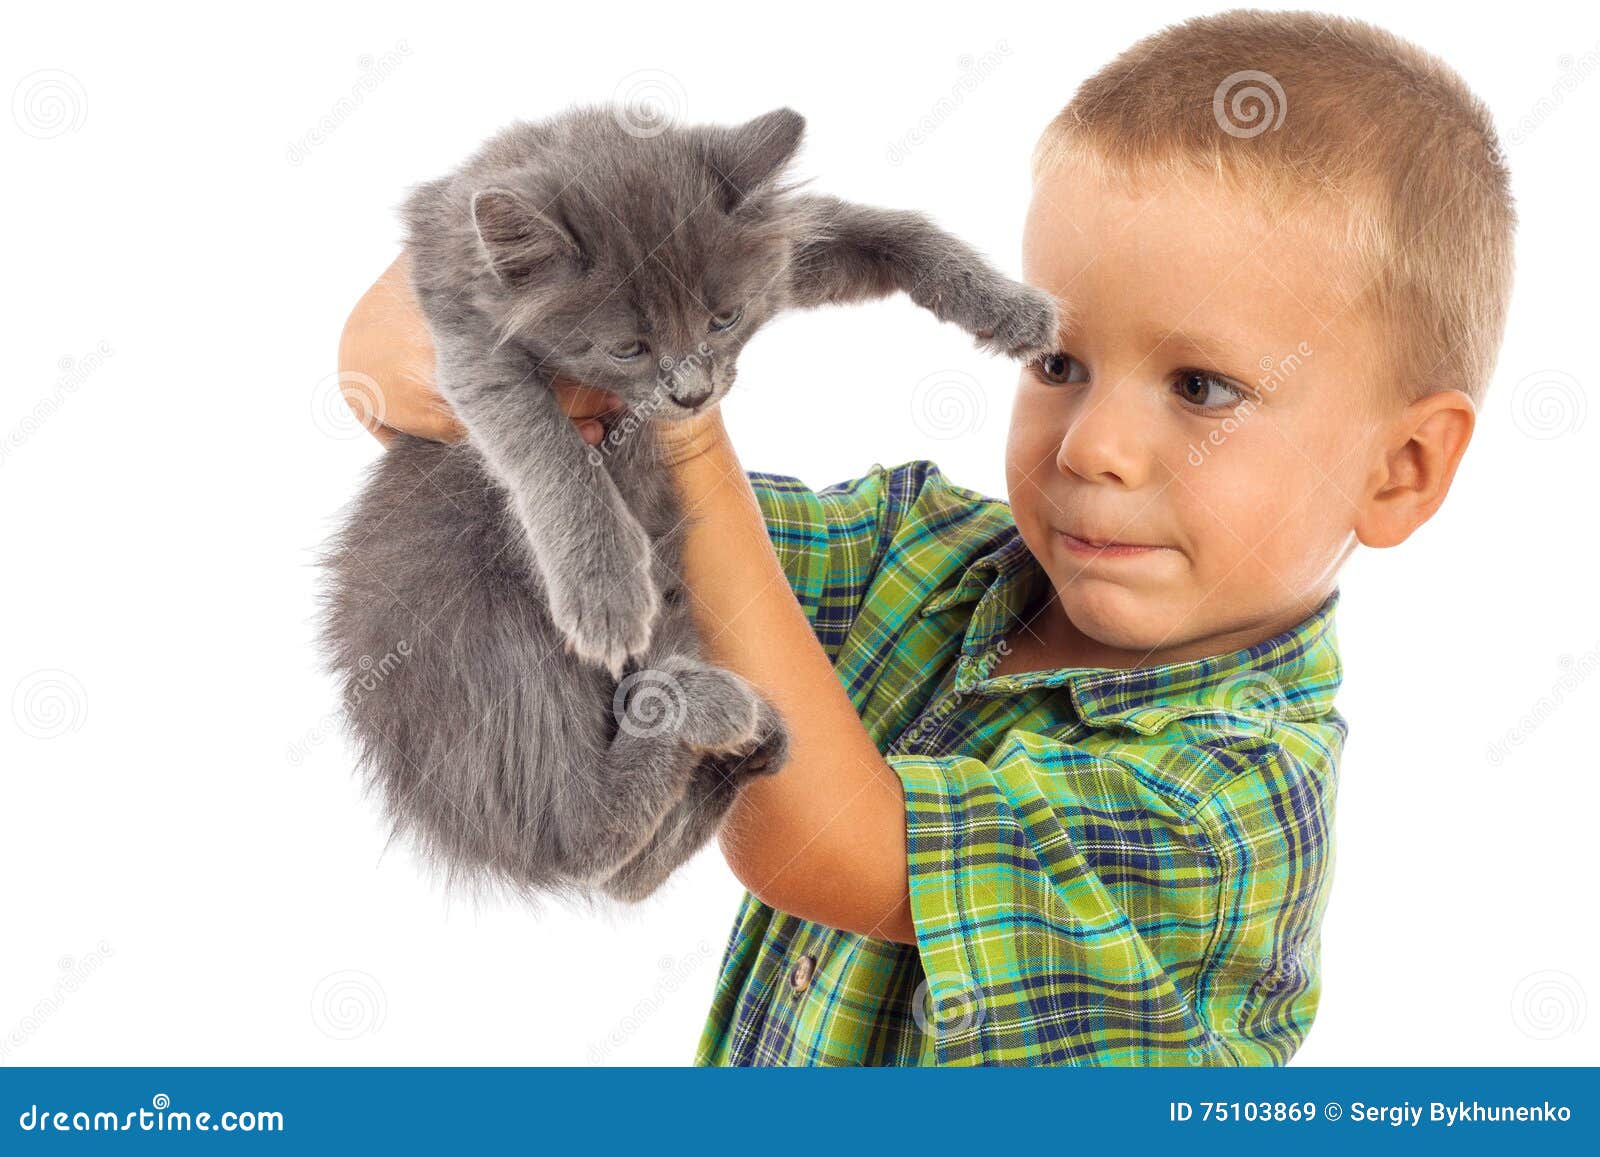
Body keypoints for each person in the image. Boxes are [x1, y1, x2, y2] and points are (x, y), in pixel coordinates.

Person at [334, 10, 1513, 1064]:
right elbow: (618, 519)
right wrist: (463, 315)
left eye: (1200, 387)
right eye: (1057, 361)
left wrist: (673, 421)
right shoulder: (930, 558)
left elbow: (830, 849)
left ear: (1399, 471)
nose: (1092, 446)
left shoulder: (1234, 802)